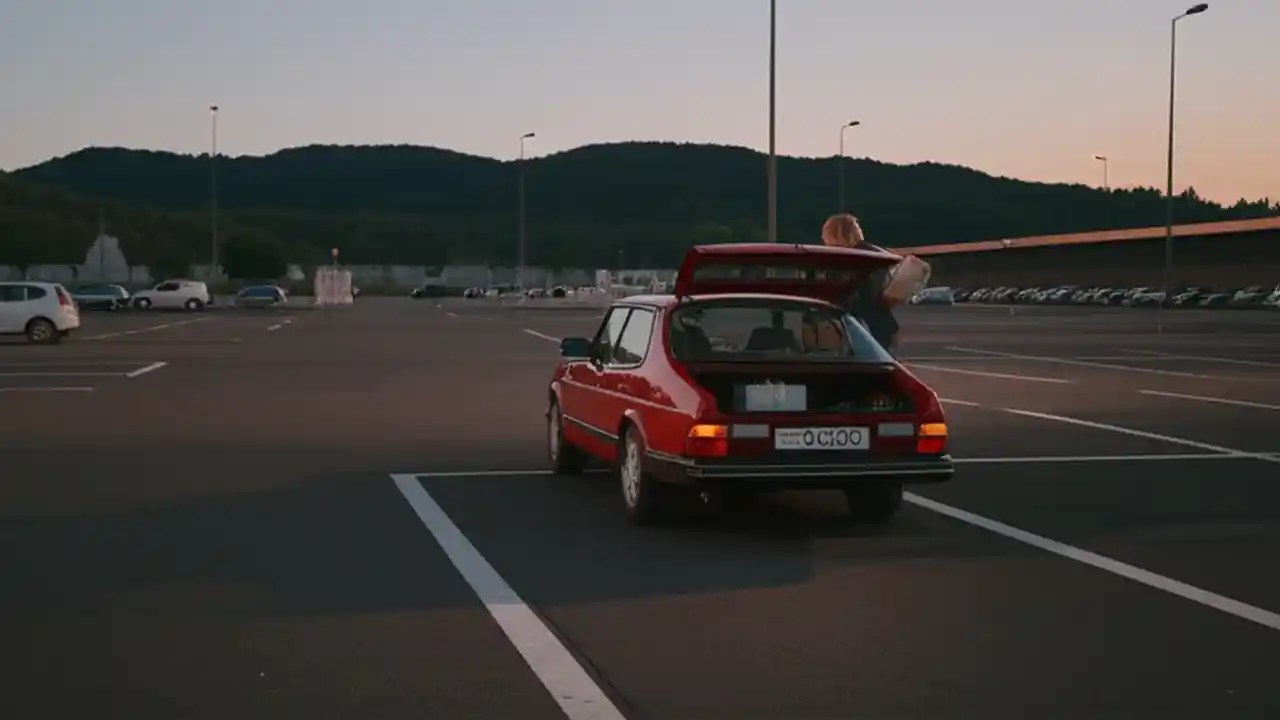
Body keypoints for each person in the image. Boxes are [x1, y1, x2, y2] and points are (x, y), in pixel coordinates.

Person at [820, 213, 903, 353]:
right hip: (880, 324)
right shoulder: (878, 254)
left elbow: (861, 295)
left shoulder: (847, 259)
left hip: (861, 325)